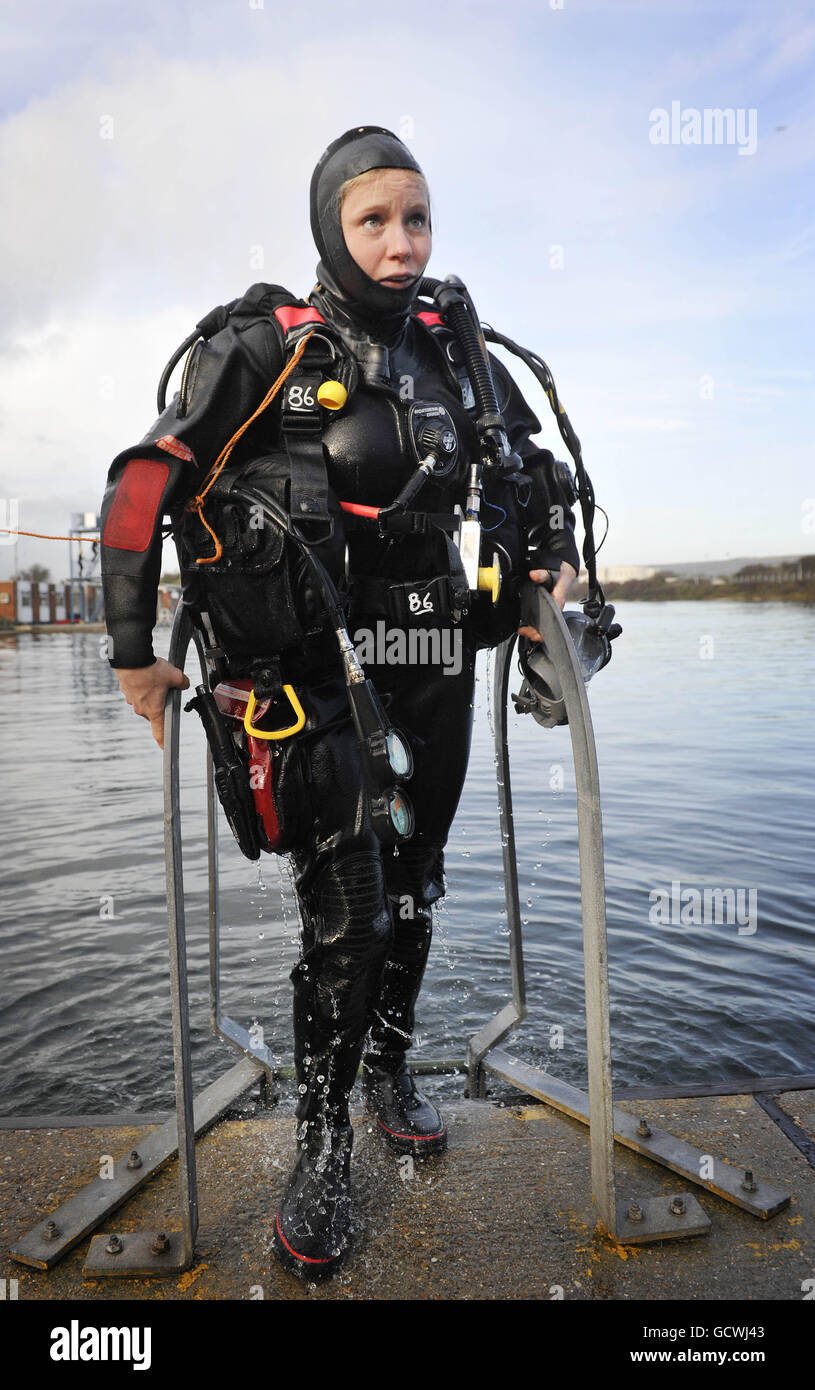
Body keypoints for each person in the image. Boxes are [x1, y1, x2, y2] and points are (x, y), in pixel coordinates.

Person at [100, 126, 580, 1279]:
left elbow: (532, 474)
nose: (401, 243)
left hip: (432, 670)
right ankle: (318, 1141)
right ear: (330, 226)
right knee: (350, 912)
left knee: (416, 893)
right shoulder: (268, 344)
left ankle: (386, 1069)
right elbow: (142, 483)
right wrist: (129, 649)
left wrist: (545, 576)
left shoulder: (456, 352)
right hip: (317, 682)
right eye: (374, 220)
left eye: (416, 219)